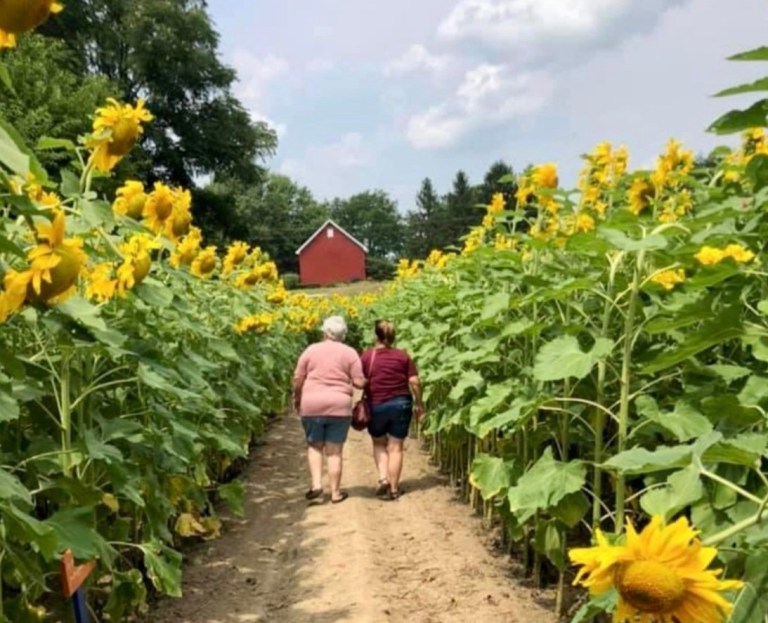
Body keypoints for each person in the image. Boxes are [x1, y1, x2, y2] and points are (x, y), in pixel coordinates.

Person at [293, 315, 365, 504]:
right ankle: (335, 493)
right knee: (334, 451)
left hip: (312, 404)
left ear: (324, 332)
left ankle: (317, 485)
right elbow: (358, 382)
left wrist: (297, 398)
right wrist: (367, 381)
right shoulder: (350, 353)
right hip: (339, 406)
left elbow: (298, 378)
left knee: (315, 446)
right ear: (344, 334)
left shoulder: (311, 350)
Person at [361, 319, 424, 500]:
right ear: (394, 336)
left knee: (379, 443)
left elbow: (360, 379)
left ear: (376, 336)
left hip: (376, 404)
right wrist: (419, 403)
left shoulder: (367, 356)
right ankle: (394, 489)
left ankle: (383, 479)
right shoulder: (402, 356)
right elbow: (414, 381)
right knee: (396, 447)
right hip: (401, 404)